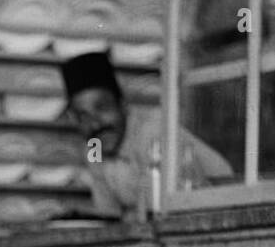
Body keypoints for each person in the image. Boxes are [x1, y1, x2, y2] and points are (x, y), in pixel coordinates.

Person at [60, 50, 234, 220]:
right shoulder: (94, 147)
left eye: (102, 108)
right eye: (83, 116)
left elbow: (164, 211)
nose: (95, 124)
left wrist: (128, 217)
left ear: (123, 105)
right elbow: (109, 218)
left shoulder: (152, 133)